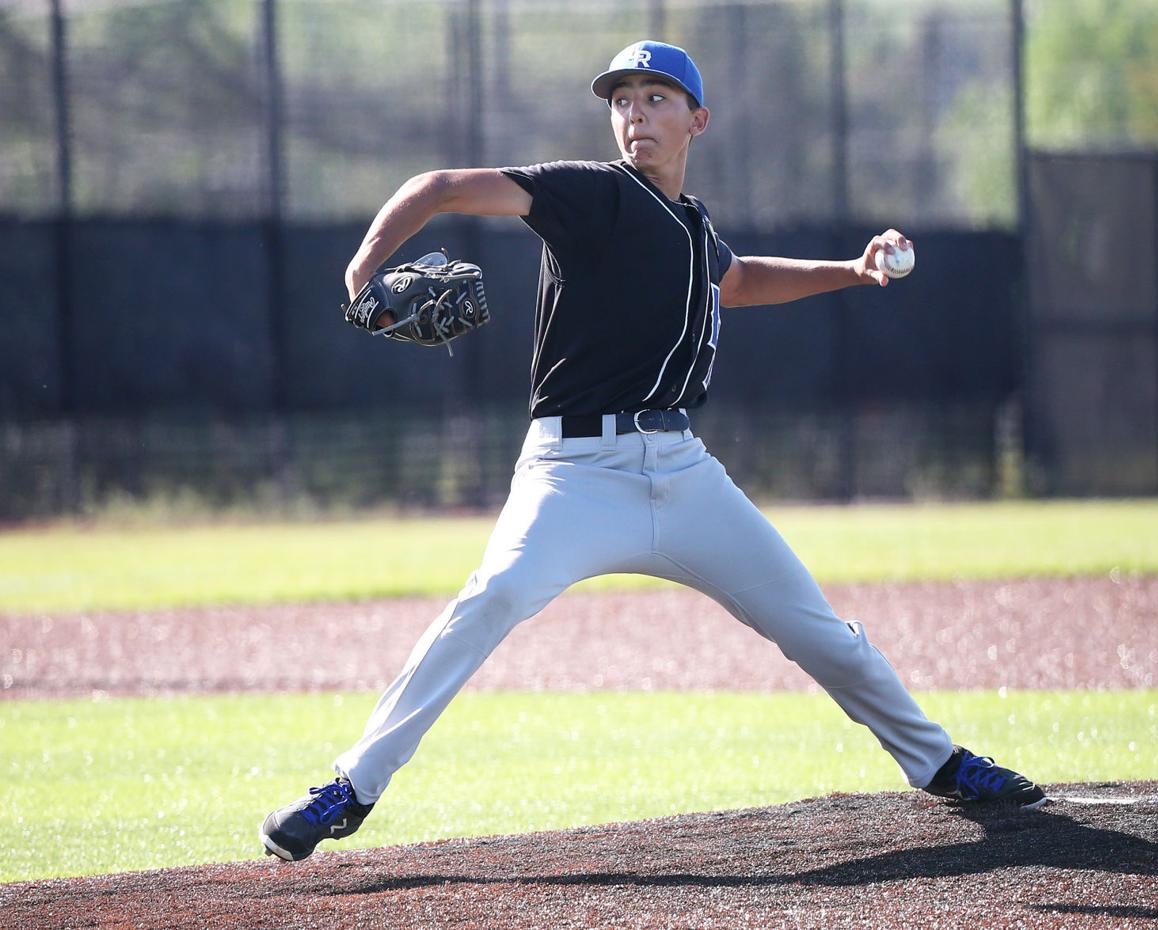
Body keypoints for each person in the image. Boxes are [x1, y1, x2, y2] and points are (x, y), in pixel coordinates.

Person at [260, 40, 1046, 864]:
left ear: (697, 119)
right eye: (623, 99)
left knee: (818, 629)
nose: (636, 112)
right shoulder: (590, 195)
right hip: (572, 476)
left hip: (682, 472)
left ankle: (943, 763)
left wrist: (852, 270)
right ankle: (350, 788)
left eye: (657, 98)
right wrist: (361, 272)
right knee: (486, 602)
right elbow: (441, 189)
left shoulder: (692, 227)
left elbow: (738, 281)